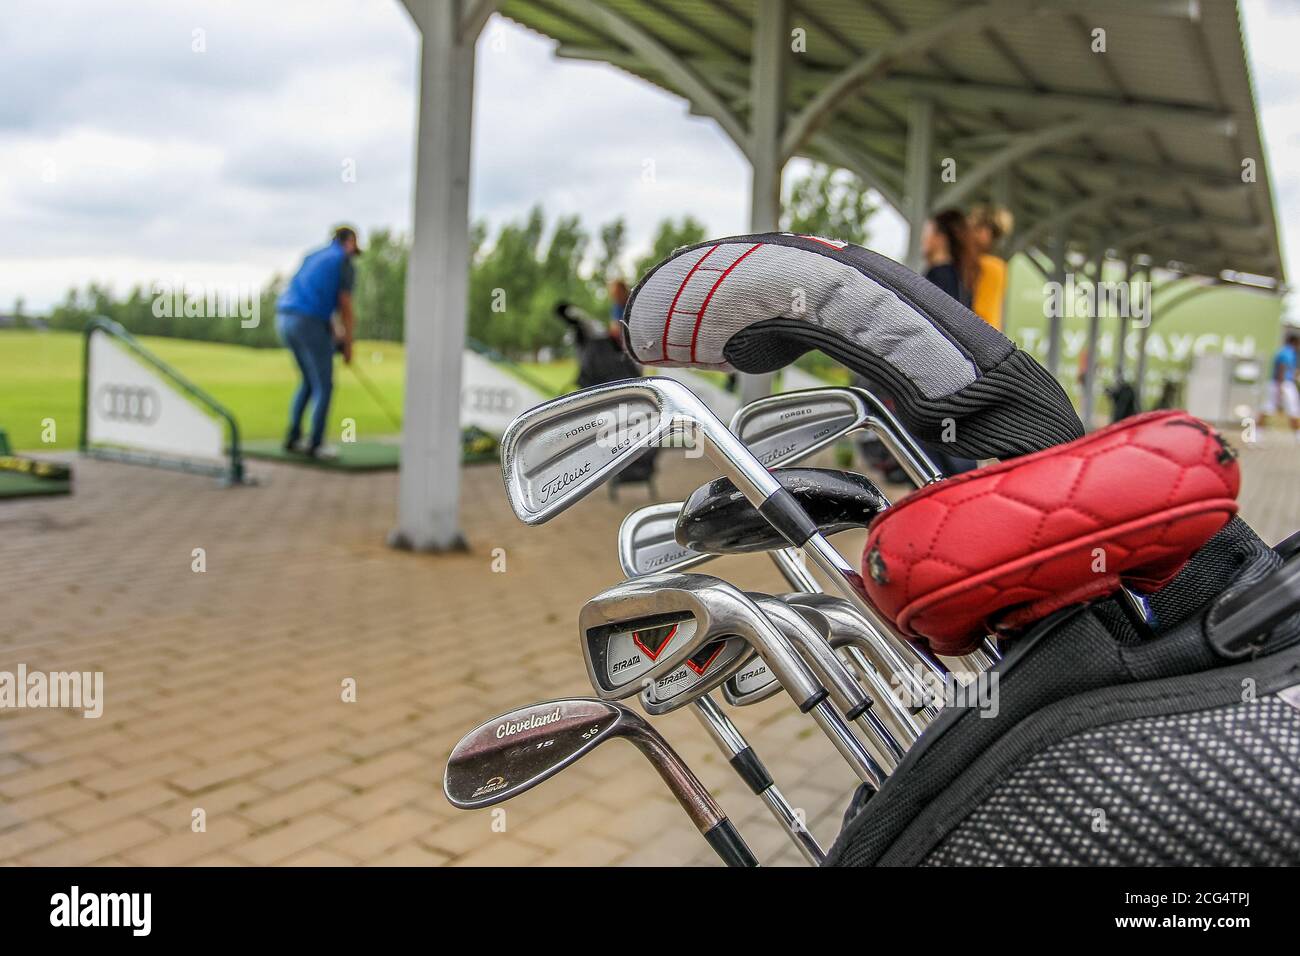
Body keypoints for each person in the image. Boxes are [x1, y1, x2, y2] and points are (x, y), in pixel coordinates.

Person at [275, 226, 361, 457]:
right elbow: (344, 304)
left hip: (284, 319)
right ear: (350, 242)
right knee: (325, 384)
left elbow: (315, 295)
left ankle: (293, 437)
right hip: (308, 322)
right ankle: (316, 443)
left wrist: (335, 333)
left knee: (309, 380)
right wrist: (349, 344)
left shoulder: (313, 255)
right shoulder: (343, 261)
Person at [968, 205, 1014, 331]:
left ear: (985, 232)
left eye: (974, 228)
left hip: (977, 335)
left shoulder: (987, 266)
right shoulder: (998, 266)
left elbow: (980, 311)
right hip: (988, 336)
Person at [921, 209, 977, 308]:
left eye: (928, 232)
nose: (924, 240)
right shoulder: (962, 278)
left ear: (940, 238)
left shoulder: (937, 276)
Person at [1259, 331, 1300, 440]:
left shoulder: (1284, 351)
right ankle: (1297, 435)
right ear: (1295, 341)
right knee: (1293, 409)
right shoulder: (1288, 352)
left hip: (1277, 383)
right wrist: (1281, 387)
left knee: (1267, 409)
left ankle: (1255, 434)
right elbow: (1281, 369)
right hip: (1282, 383)